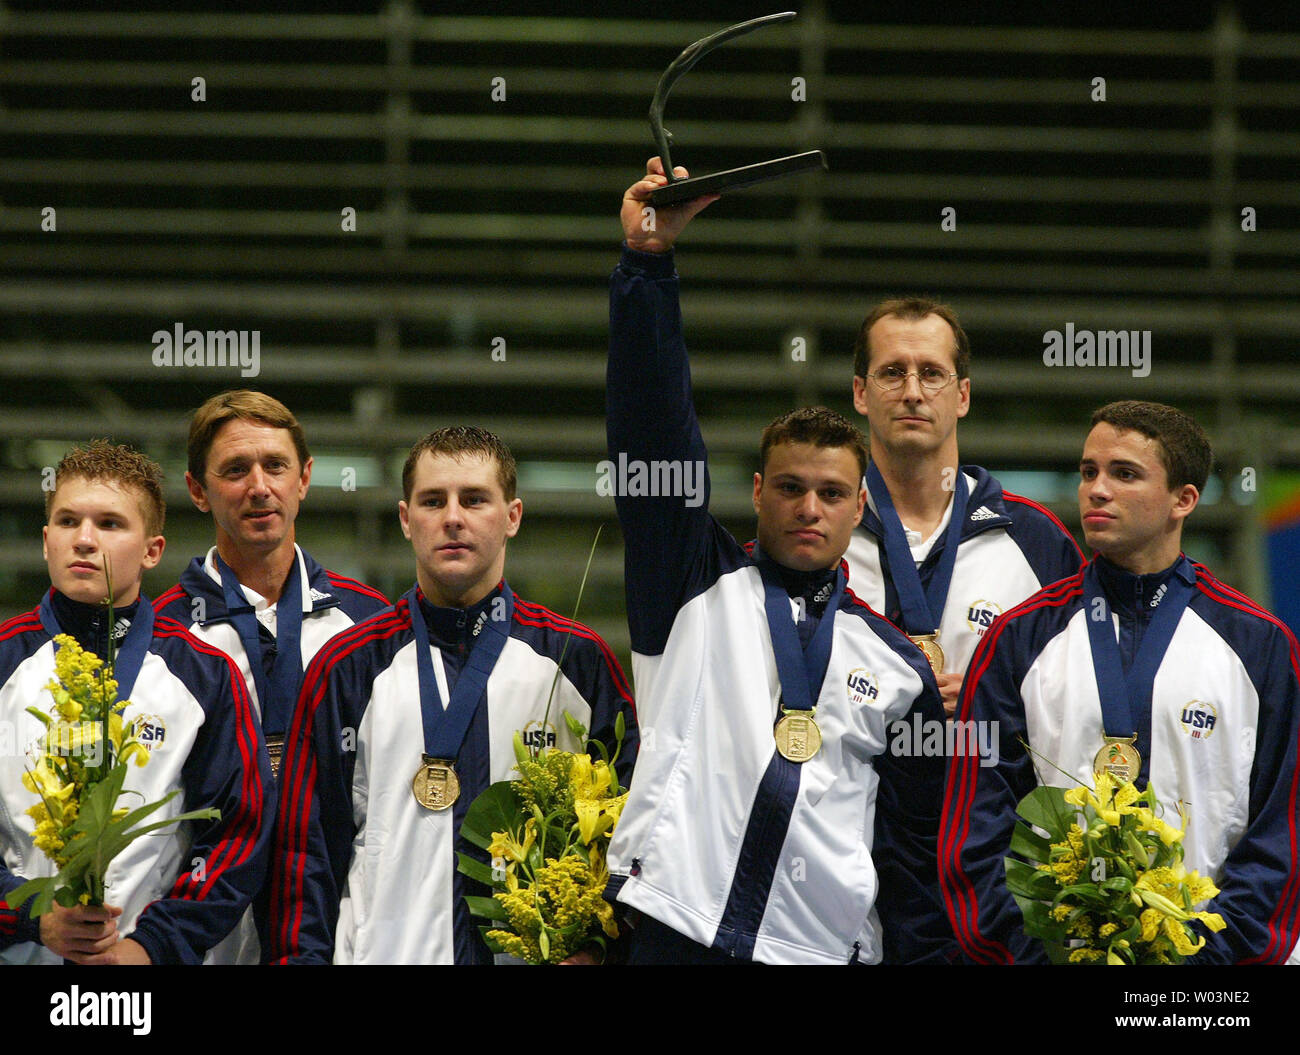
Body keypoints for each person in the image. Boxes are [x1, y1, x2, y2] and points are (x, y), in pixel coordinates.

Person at [604, 159, 954, 965]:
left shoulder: (897, 663)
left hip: (818, 951)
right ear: (757, 491)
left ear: (860, 505)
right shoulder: (691, 581)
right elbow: (653, 428)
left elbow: (913, 857)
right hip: (674, 925)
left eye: (832, 493)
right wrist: (647, 265)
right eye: (791, 487)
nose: (809, 509)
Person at [940, 400, 1300, 964]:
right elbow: (975, 831)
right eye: (1089, 472)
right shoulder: (1016, 642)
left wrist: (1208, 965)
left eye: (1124, 474)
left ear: (1183, 500)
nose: (1097, 489)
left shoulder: (1262, 647)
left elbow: (1283, 835)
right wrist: (1036, 957)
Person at [269, 426, 638, 964]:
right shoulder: (348, 666)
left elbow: (633, 825)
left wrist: (597, 946)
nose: (453, 518)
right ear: (404, 518)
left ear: (512, 515)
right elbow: (305, 854)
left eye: (474, 499)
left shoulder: (573, 661)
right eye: (432, 501)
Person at [0, 440, 271, 964]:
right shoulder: (5, 663)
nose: (83, 540)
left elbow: (238, 837)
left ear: (152, 549)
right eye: (67, 521)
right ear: (45, 540)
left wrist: (151, 945)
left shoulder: (204, 674)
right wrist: (31, 917)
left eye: (109, 523)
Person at [154, 390, 388, 963]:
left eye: (275, 466)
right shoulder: (157, 638)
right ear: (196, 490)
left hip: (339, 927)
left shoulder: (372, 626)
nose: (259, 486)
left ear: (303, 478)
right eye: (235, 470)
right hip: (200, 932)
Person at [845, 301, 1084, 716]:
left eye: (933, 374)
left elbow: (1084, 685)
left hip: (984, 780)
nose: (913, 392)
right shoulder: (820, 530)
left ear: (962, 396)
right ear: (861, 393)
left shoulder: (1034, 539)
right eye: (892, 373)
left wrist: (992, 695)